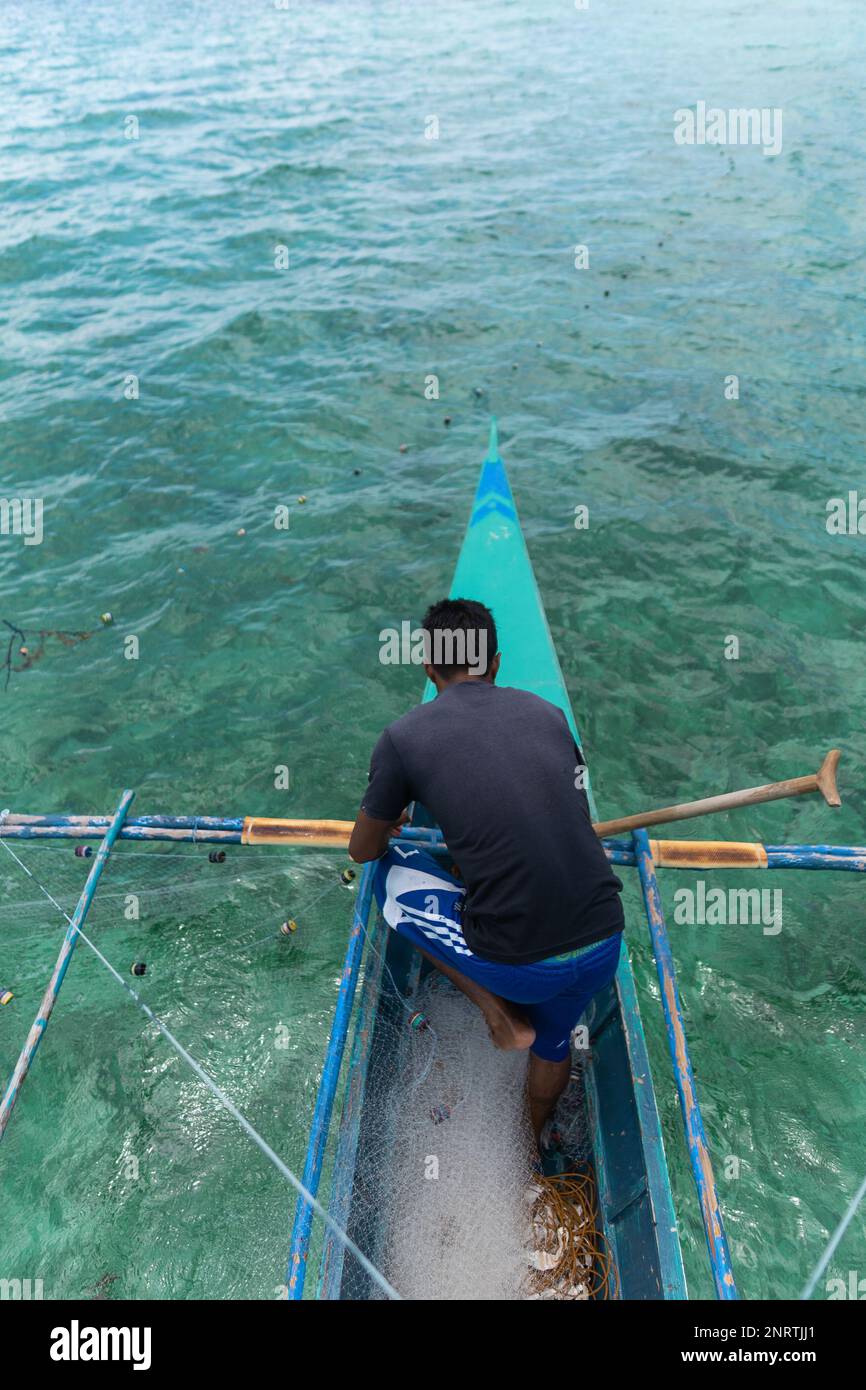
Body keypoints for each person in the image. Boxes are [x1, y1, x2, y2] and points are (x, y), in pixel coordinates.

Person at [348, 597, 624, 1155]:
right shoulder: (549, 716)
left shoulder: (403, 738)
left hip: (520, 963)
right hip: (604, 944)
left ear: (429, 669)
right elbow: (573, 819)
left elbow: (362, 849)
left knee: (389, 881)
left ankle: (498, 1014)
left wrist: (394, 819)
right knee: (554, 1041)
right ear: (495, 663)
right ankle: (531, 1144)